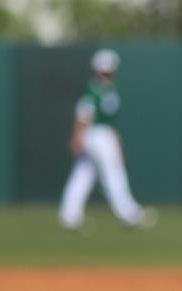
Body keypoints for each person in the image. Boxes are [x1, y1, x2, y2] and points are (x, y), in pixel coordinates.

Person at [58, 49, 155, 232]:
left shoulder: (107, 90)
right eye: (105, 70)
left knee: (84, 173)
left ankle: (69, 215)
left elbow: (110, 121)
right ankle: (128, 214)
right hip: (96, 134)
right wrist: (77, 136)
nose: (108, 73)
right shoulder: (94, 90)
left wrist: (115, 139)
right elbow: (83, 116)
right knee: (113, 173)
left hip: (103, 134)